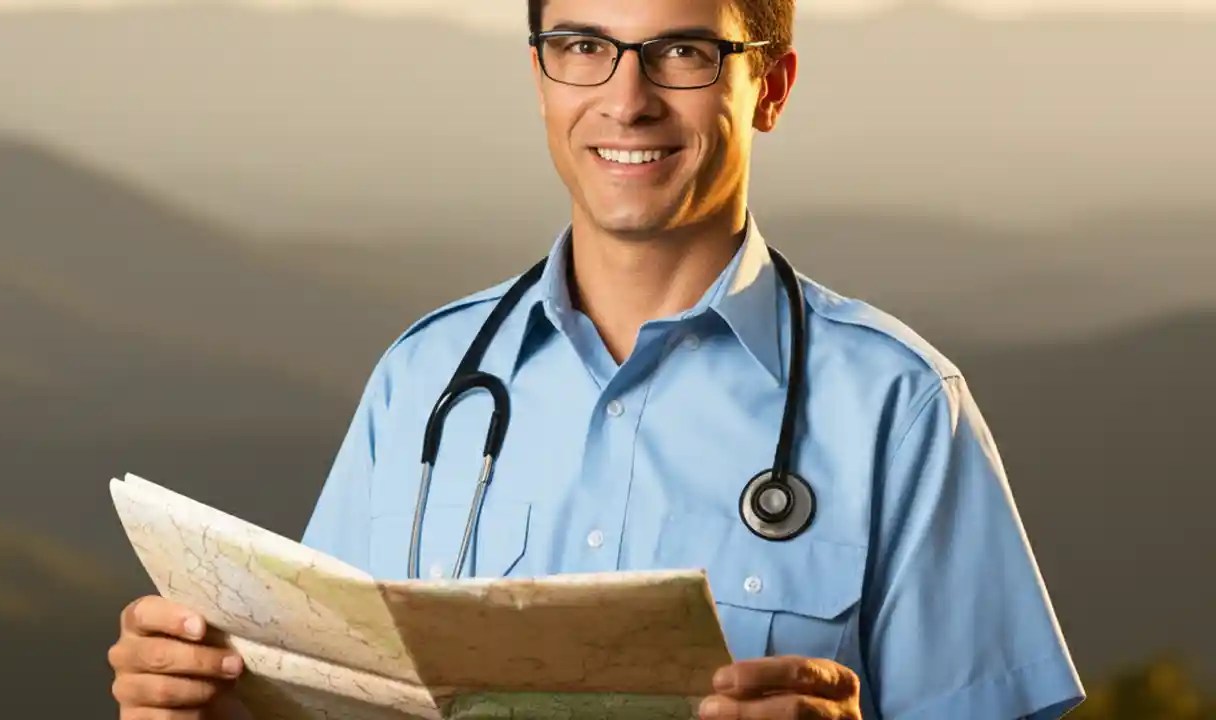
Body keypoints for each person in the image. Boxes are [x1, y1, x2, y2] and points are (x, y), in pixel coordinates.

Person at [107, 0, 1087, 717]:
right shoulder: (423, 380)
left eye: (682, 53)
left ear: (771, 89)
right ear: (539, 77)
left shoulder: (897, 408)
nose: (626, 100)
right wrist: (212, 700)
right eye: (583, 47)